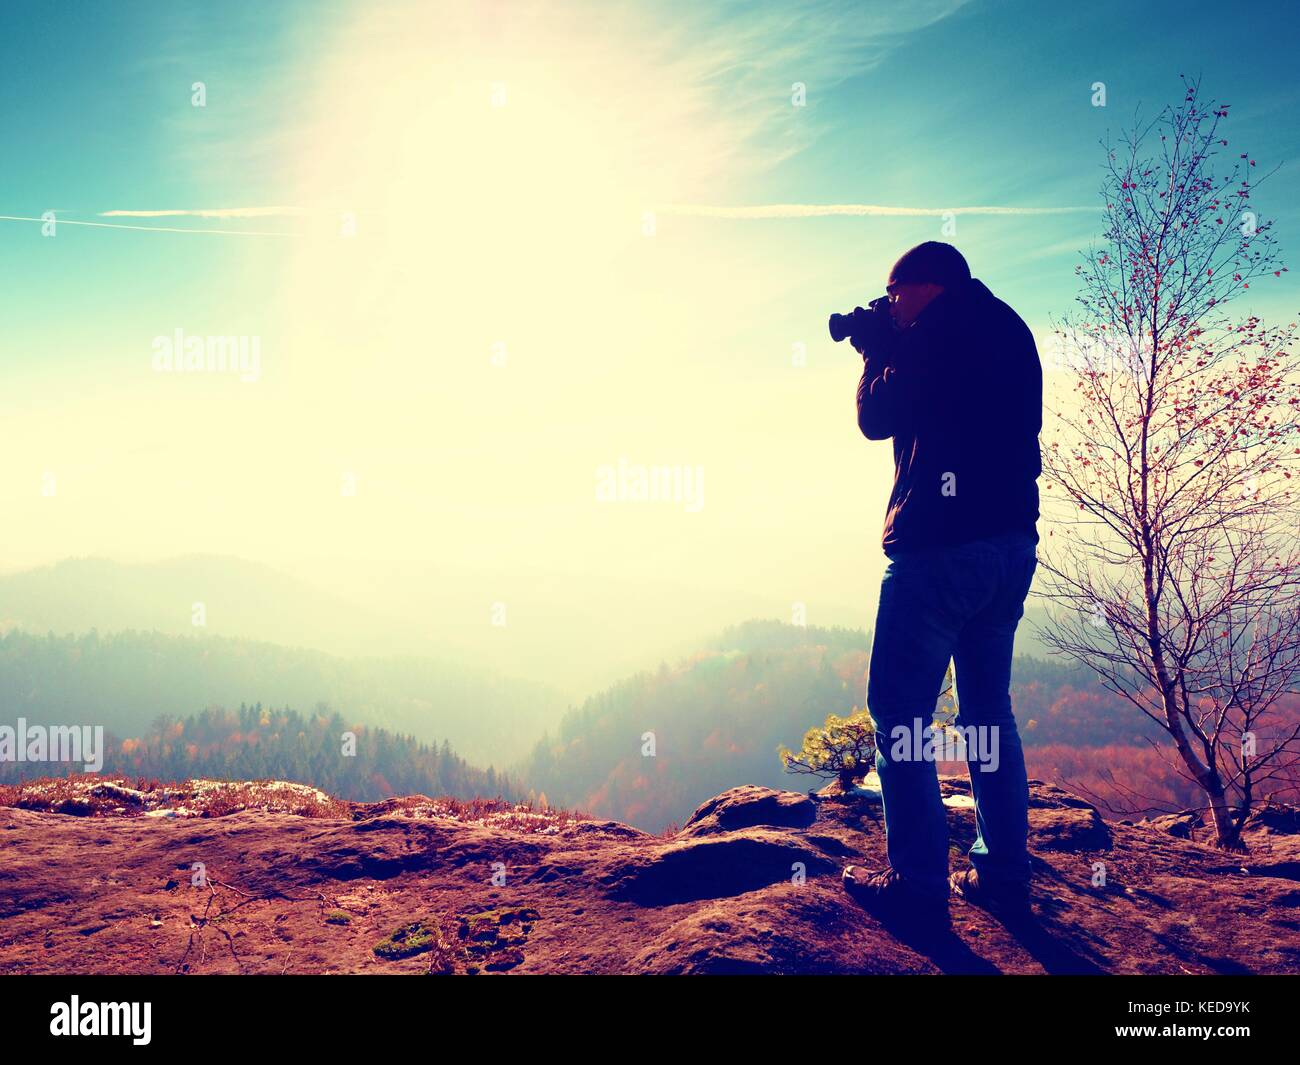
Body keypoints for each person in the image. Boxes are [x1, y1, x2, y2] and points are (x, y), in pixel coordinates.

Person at [839, 241, 1042, 916]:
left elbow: (876, 419)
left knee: (901, 716)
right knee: (987, 711)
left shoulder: (933, 335)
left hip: (939, 552)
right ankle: (1005, 869)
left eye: (895, 294)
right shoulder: (1009, 326)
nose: (890, 305)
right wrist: (894, 339)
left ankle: (919, 885)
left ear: (928, 288)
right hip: (1009, 546)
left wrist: (876, 351)